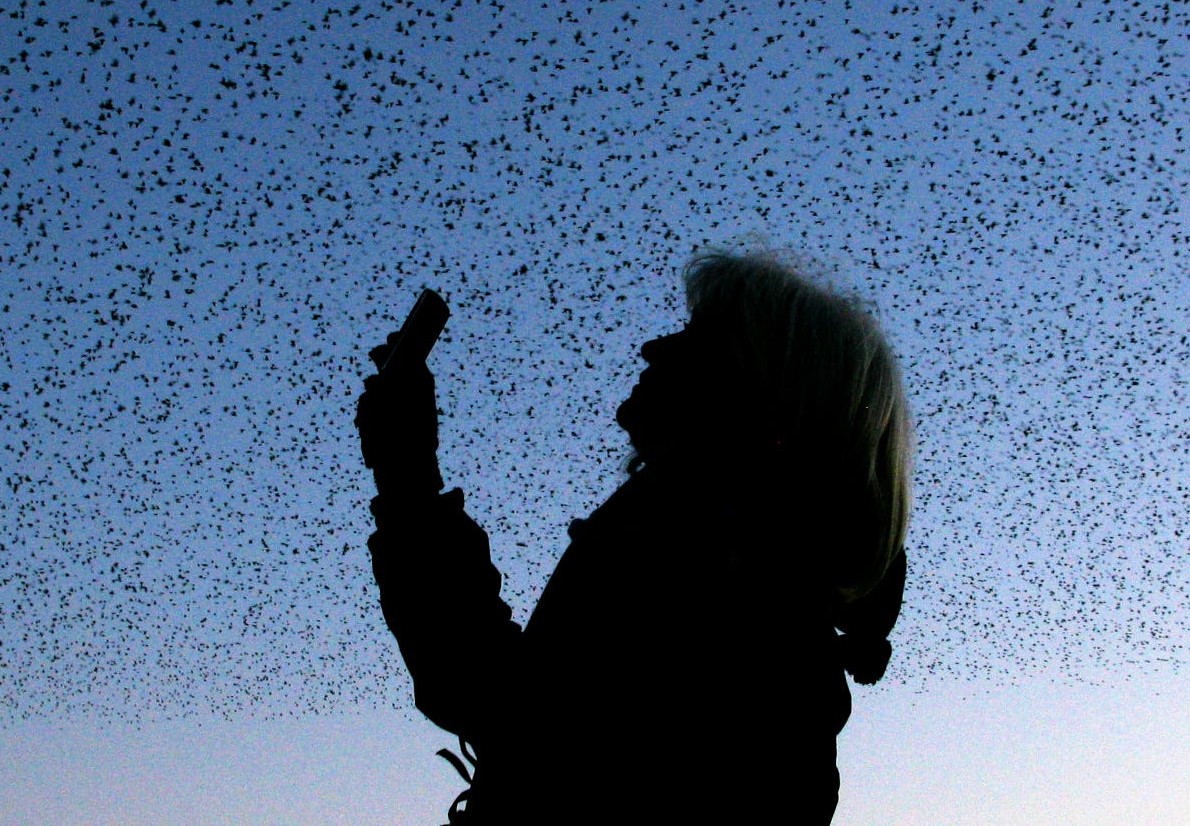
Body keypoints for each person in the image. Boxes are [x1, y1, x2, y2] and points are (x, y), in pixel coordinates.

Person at [355, 250, 914, 825]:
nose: (653, 347)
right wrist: (408, 477)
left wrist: (406, 472)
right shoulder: (744, 552)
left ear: (759, 386)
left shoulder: (712, 550)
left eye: (700, 336)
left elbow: (505, 705)